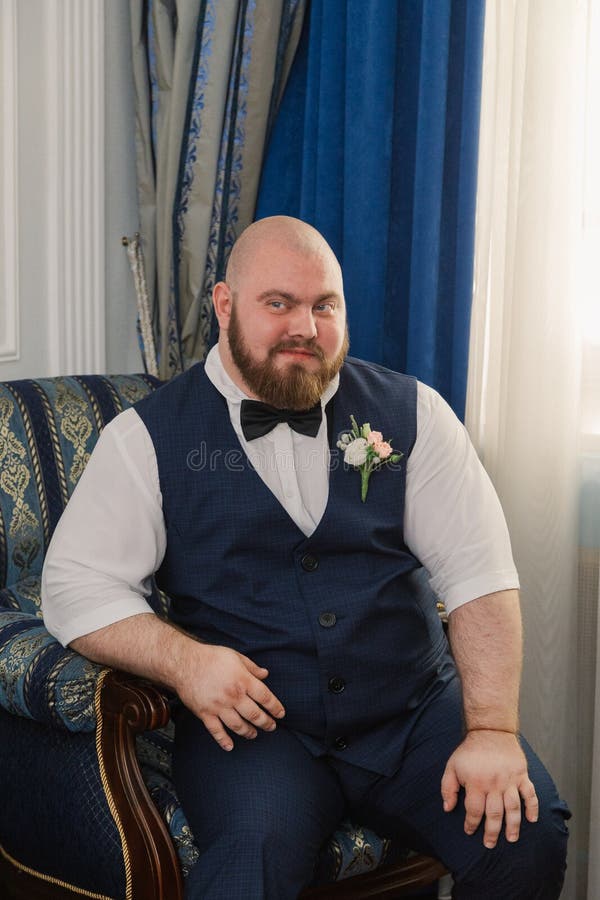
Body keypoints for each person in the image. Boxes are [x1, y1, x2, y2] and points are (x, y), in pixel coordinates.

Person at [42, 216, 569, 899]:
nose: (307, 328)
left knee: (527, 833)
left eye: (325, 305)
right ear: (225, 306)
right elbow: (74, 585)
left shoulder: (415, 415)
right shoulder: (146, 438)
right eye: (279, 304)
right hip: (259, 731)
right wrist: (187, 661)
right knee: (248, 867)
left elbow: (480, 576)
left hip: (410, 714)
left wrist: (493, 728)